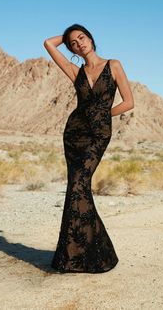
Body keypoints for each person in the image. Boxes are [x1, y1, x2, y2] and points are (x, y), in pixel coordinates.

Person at [44, 23, 134, 273]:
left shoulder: (113, 65)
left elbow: (128, 102)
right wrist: (64, 38)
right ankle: (78, 255)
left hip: (98, 135)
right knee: (77, 188)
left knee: (79, 185)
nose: (79, 44)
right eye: (73, 43)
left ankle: (93, 253)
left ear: (91, 38)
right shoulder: (76, 72)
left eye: (81, 38)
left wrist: (103, 115)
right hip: (74, 134)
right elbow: (48, 44)